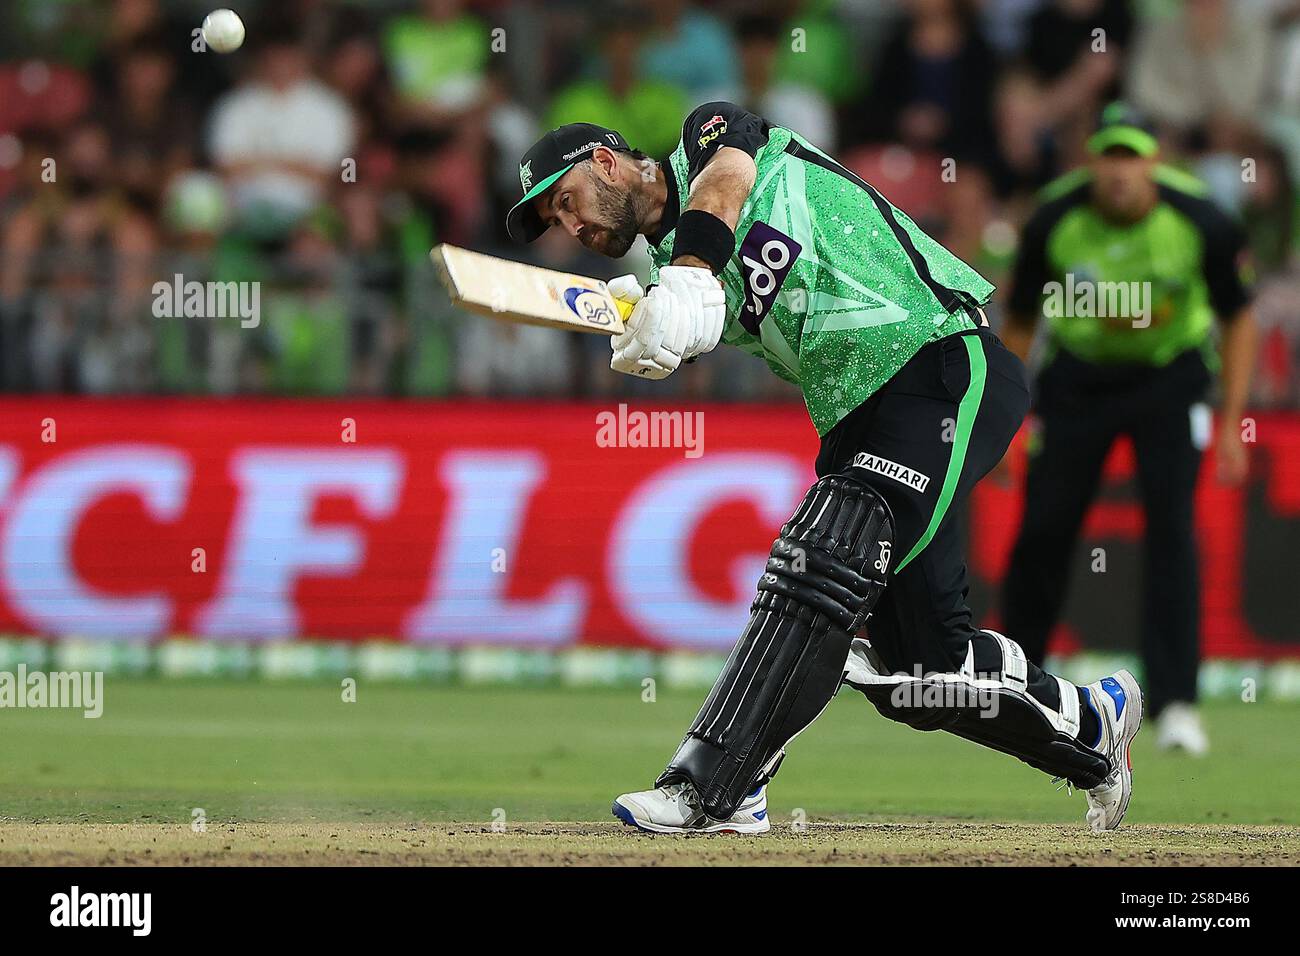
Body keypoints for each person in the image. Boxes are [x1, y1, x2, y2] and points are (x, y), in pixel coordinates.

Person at [503, 101, 1143, 834]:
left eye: (567, 201)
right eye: (558, 222)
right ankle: (1094, 729)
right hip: (854, 420)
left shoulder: (704, 140)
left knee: (822, 556)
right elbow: (708, 307)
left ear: (606, 162)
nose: (572, 227)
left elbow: (726, 185)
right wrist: (650, 321)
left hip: (939, 362)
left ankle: (715, 785)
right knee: (923, 676)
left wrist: (683, 279)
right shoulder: (667, 264)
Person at [1000, 104, 1256, 757]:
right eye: (1108, 156)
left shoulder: (1200, 220)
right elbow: (1022, 323)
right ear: (1093, 161)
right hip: (1078, 379)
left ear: (1154, 161)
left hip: (1169, 381)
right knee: (1045, 531)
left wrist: (1230, 423)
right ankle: (1015, 692)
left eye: (1131, 156)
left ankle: (1176, 704)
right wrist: (1002, 420)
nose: (1119, 172)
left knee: (1173, 533)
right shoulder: (1055, 219)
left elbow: (1239, 319)